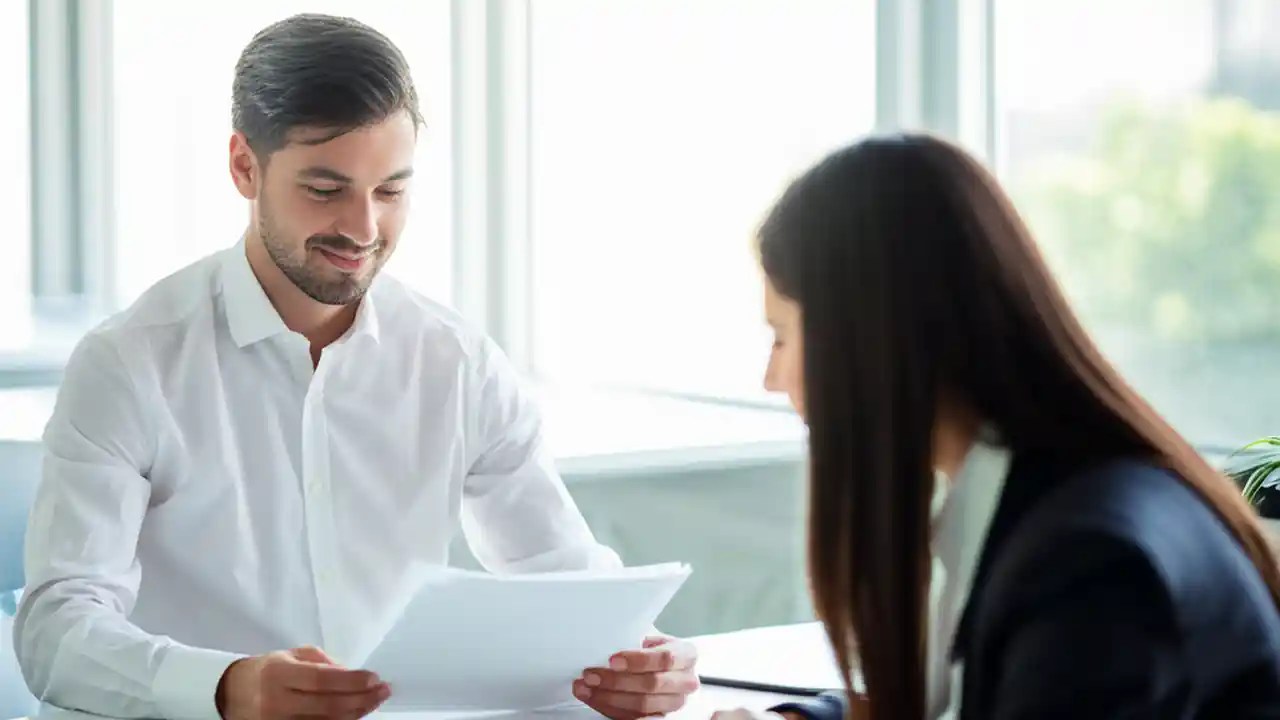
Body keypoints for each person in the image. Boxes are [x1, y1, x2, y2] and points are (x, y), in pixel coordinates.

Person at [15, 14, 697, 720]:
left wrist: (640, 657)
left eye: (391, 191)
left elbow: (566, 582)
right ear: (244, 166)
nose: (364, 229)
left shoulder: (456, 363)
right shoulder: (131, 363)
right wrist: (228, 686)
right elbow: (56, 632)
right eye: (325, 189)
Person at [712, 134, 1280, 720]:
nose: (771, 379)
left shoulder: (1085, 563)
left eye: (781, 336)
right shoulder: (1049, 502)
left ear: (871, 339)